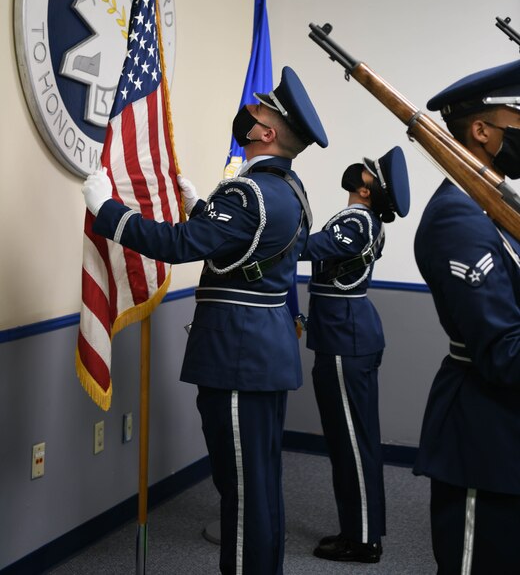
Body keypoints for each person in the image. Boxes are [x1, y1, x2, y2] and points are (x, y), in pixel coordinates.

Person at [82, 66, 328, 575]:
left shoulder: (248, 194)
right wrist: (202, 208)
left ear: (267, 132)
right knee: (259, 482)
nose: (250, 112)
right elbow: (249, 254)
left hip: (238, 358)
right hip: (265, 353)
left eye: (259, 110)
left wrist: (106, 209)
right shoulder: (291, 191)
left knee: (240, 488)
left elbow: (176, 247)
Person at [413, 59, 520, 574]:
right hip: (485, 436)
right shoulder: (458, 218)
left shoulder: (497, 205)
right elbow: (504, 355)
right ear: (481, 130)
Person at [300, 147, 410, 564]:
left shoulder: (356, 220)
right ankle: (361, 530)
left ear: (366, 189)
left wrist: (271, 230)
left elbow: (314, 247)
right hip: (346, 333)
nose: (359, 167)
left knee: (351, 442)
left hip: (346, 337)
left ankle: (362, 541)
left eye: (367, 170)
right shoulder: (365, 219)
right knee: (354, 439)